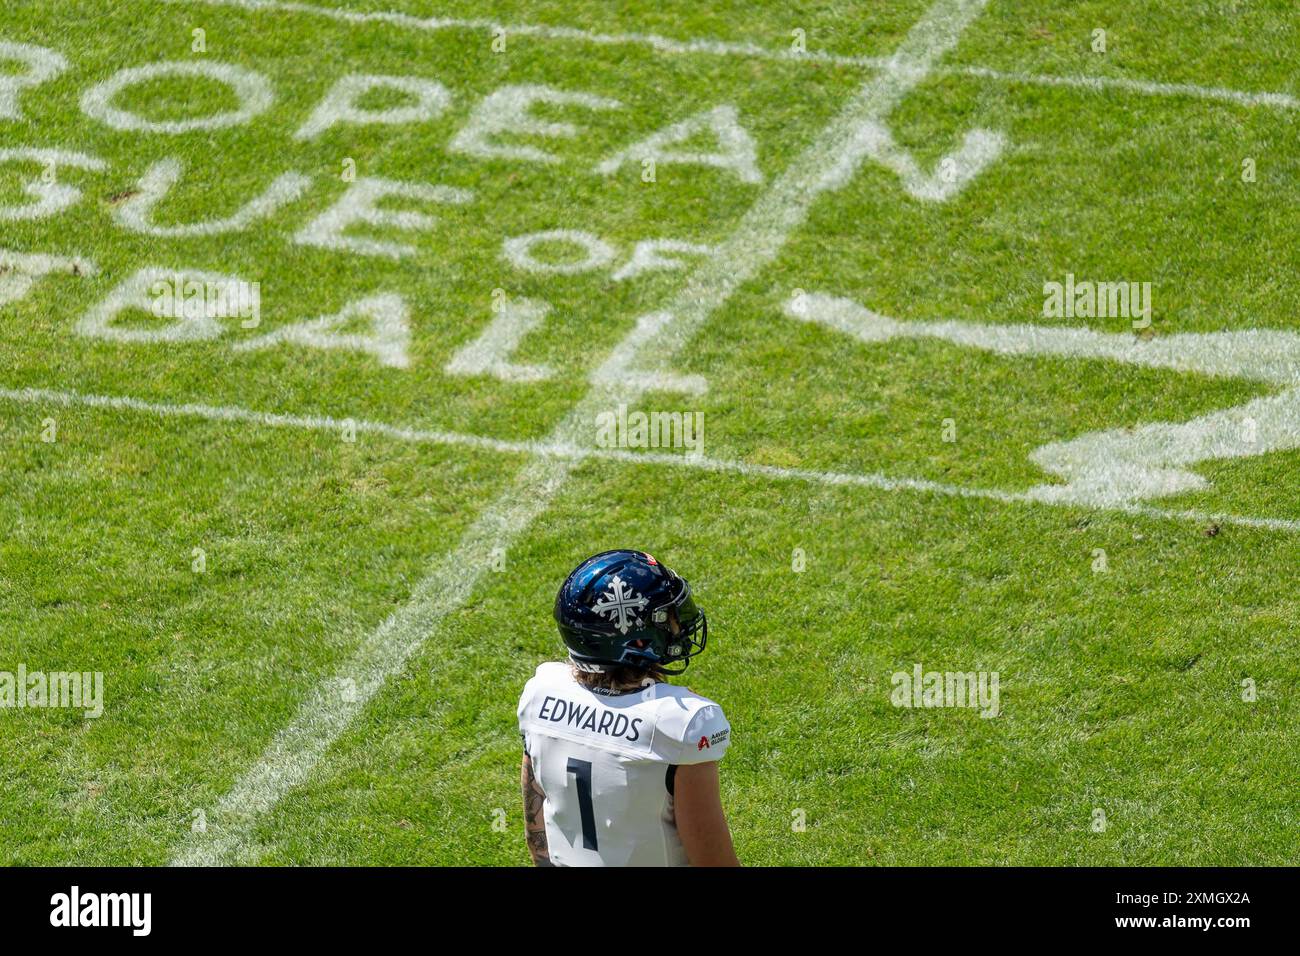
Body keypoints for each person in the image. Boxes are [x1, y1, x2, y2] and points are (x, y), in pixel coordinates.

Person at [517, 549, 739, 866]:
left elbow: (536, 835)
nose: (676, 625)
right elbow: (714, 862)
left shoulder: (540, 695)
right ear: (636, 640)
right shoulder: (684, 722)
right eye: (666, 617)